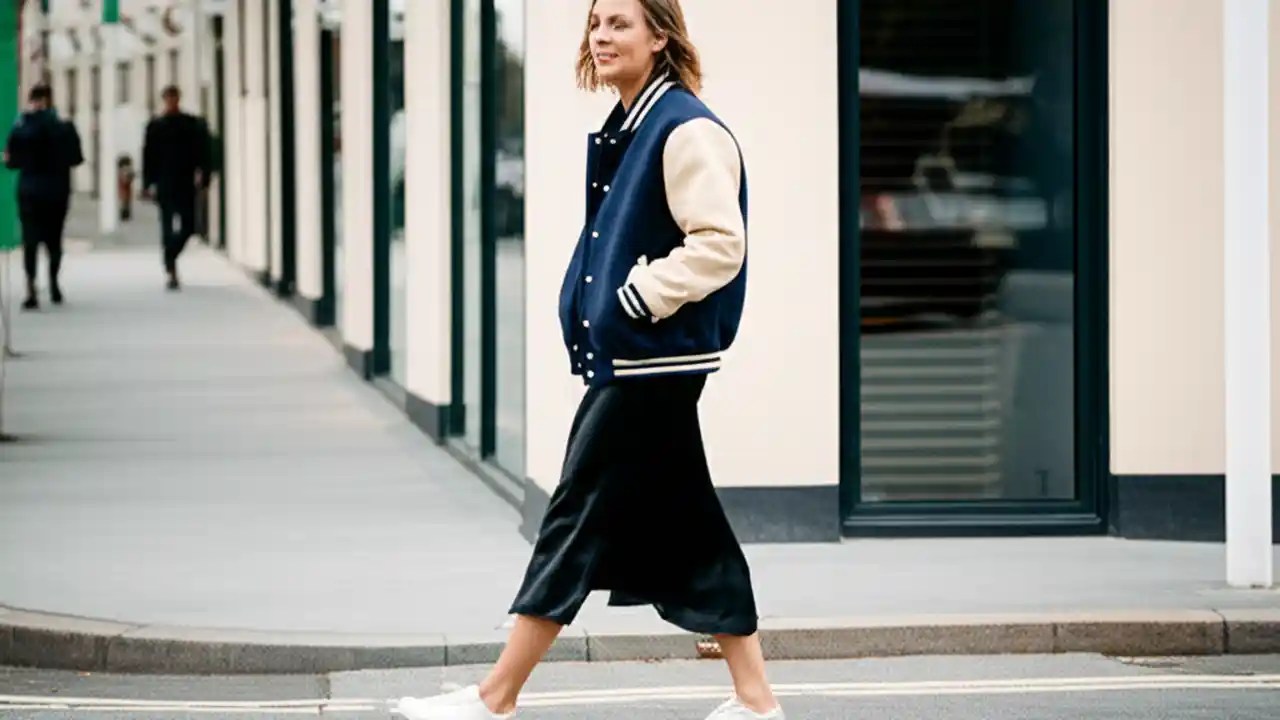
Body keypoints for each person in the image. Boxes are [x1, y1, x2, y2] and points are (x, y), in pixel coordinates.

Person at [394, 1, 783, 719]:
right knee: (691, 526)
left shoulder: (685, 129)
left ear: (659, 36)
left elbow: (720, 243)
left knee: (572, 517)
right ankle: (756, 701)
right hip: (637, 365)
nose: (601, 36)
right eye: (596, 23)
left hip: (650, 365)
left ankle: (495, 697)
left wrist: (636, 298)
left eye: (620, 24)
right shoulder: (634, 126)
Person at [4, 83, 83, 310]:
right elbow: (76, 158)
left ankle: (30, 287)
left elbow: (12, 162)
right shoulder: (64, 127)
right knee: (54, 240)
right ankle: (54, 283)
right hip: (57, 190)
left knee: (30, 240)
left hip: (29, 191)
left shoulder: (21, 128)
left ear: (32, 101)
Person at [142, 84, 210, 290]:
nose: (171, 101)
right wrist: (147, 184)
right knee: (167, 227)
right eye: (168, 98)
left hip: (185, 181)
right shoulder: (155, 126)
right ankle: (171, 270)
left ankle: (170, 254)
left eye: (174, 98)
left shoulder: (191, 124)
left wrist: (204, 177)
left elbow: (203, 152)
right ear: (164, 100)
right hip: (164, 182)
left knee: (189, 226)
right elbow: (148, 156)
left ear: (179, 99)